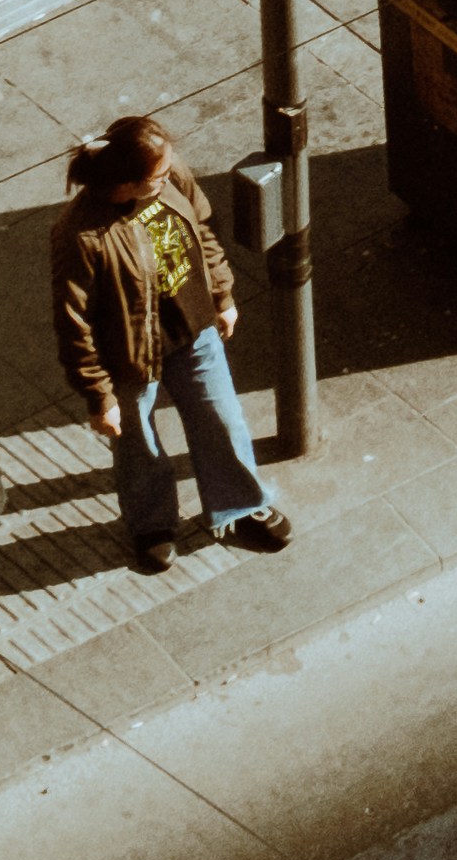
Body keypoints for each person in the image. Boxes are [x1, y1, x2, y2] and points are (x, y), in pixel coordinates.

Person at [51, 115, 290, 568]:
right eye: (157, 175)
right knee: (138, 445)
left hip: (193, 329)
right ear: (127, 182)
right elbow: (73, 320)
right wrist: (99, 395)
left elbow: (201, 231)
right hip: (130, 354)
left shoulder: (169, 174)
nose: (169, 174)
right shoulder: (80, 233)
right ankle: (152, 525)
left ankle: (238, 504)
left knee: (222, 420)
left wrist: (221, 294)